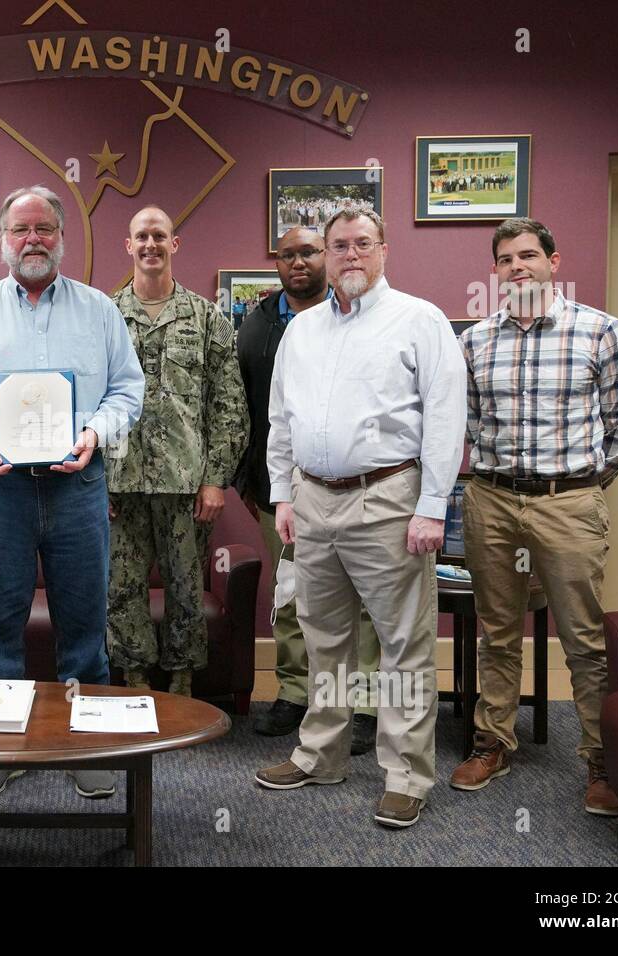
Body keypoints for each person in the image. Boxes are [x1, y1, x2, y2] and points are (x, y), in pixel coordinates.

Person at [0, 185, 144, 801]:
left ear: (61, 239)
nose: (33, 240)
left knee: (84, 627)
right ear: (3, 241)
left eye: (45, 229)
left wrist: (95, 432)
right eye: (21, 230)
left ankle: (86, 746)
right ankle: (0, 746)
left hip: (78, 487)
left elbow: (128, 390)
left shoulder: (101, 310)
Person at [253, 209, 465, 830]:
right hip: (312, 500)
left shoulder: (419, 321)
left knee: (403, 645)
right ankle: (321, 754)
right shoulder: (304, 329)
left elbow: (447, 420)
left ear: (384, 249)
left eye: (361, 244)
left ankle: (405, 775)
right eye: (337, 245)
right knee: (324, 638)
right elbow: (281, 419)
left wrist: (432, 507)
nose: (349, 255)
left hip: (389, 500)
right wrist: (283, 496)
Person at [450, 218, 618, 815]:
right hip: (492, 500)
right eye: (506, 259)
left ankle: (601, 763)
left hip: (570, 502)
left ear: (554, 263)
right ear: (497, 271)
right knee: (498, 631)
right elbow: (467, 422)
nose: (518, 267)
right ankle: (493, 743)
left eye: (529, 255)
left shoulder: (601, 332)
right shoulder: (476, 340)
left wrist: (580, 487)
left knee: (584, 639)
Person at [235, 226, 381, 755]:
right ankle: (296, 692)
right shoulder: (256, 324)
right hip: (283, 491)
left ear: (326, 257)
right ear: (276, 263)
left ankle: (361, 702)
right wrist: (253, 482)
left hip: (355, 486)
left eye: (309, 252)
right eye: (287, 254)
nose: (298, 262)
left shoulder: (359, 318)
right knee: (292, 595)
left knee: (361, 600)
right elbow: (249, 409)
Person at [106, 206, 247, 698]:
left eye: (159, 237)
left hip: (186, 482)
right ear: (128, 245)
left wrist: (215, 478)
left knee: (187, 588)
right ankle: (135, 678)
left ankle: (183, 681)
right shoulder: (104, 315)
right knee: (120, 589)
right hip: (118, 481)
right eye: (141, 237)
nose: (150, 245)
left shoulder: (206, 317)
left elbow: (228, 405)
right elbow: (84, 400)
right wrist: (92, 481)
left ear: (175, 244)